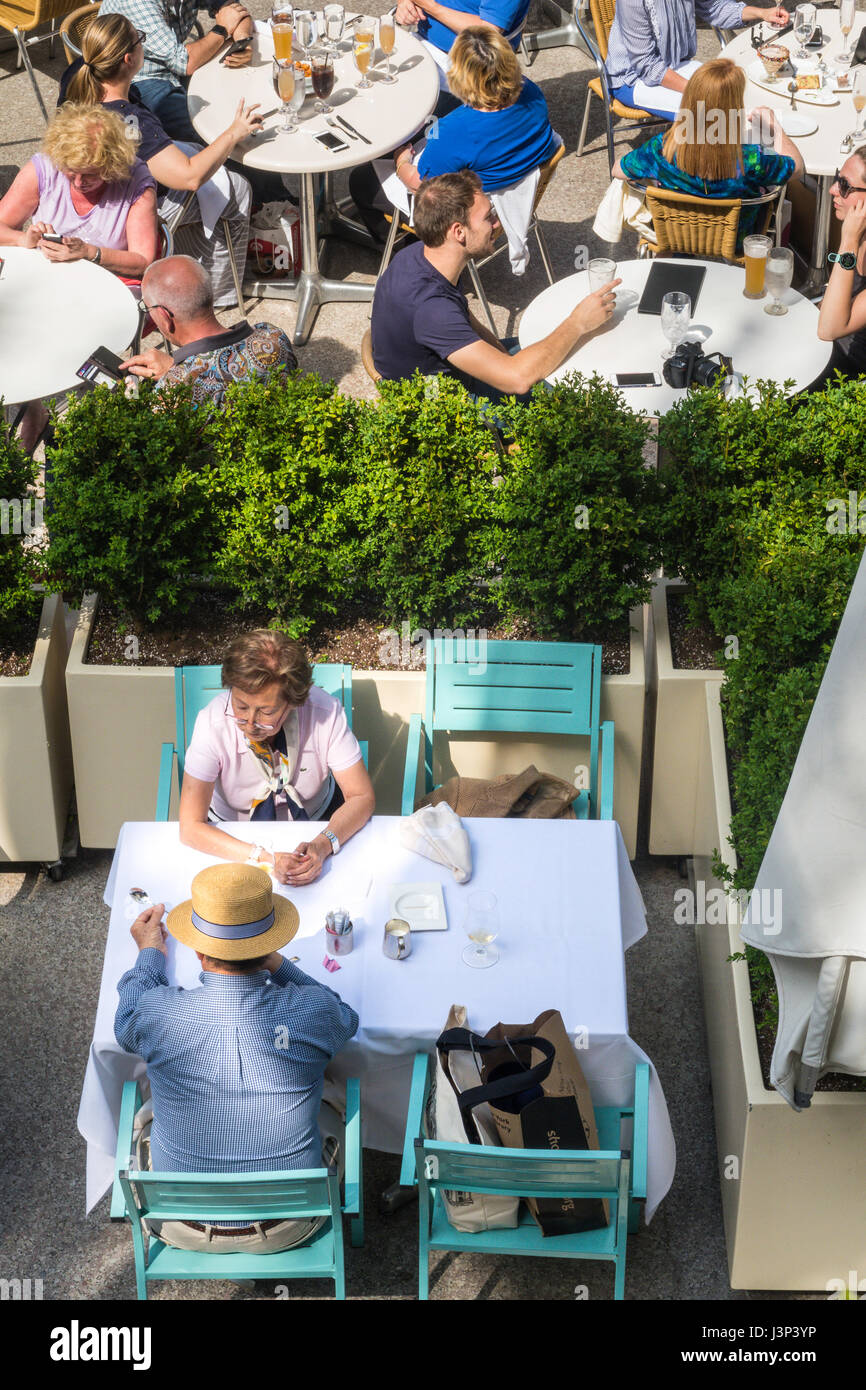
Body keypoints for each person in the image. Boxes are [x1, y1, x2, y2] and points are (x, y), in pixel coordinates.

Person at [116, 864, 359, 1253]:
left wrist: (149, 954)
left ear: (197, 950)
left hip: (179, 1221)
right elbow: (343, 1015)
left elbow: (125, 1020)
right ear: (267, 945)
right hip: (292, 1223)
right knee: (338, 1096)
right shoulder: (312, 1010)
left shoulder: (158, 1012)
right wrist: (277, 963)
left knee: (146, 1108)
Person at [60, 14, 262, 307]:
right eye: (140, 39)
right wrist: (234, 132)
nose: (144, 44)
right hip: (129, 216)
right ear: (129, 59)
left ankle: (193, 260)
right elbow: (189, 177)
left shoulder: (78, 75)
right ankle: (217, 298)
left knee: (195, 151)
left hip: (86, 201)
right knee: (237, 186)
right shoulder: (130, 121)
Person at [370, 170, 620, 404]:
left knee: (563, 344)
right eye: (488, 217)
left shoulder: (418, 255)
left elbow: (463, 317)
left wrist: (503, 353)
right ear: (458, 232)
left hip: (456, 371)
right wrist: (578, 322)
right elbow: (517, 379)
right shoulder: (433, 310)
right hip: (452, 409)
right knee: (581, 390)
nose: (497, 223)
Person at [0, 102, 158, 452]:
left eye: (90, 174)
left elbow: (144, 260)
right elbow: (2, 227)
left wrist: (90, 252)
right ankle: (35, 406)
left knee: (48, 329)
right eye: (71, 172)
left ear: (112, 164)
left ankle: (45, 411)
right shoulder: (45, 168)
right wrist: (23, 240)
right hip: (47, 282)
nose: (78, 181)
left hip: (112, 286)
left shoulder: (136, 183)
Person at [173, 629, 375, 887]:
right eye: (241, 706)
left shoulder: (325, 712)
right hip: (235, 836)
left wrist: (323, 845)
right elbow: (190, 827)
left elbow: (361, 797)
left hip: (317, 824)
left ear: (293, 702)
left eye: (266, 712)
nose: (250, 723)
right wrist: (265, 858)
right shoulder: (212, 723)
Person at [350, 26, 557, 242]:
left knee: (361, 181)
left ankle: (405, 250)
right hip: (512, 186)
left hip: (465, 212)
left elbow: (419, 184)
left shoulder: (456, 130)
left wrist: (401, 162)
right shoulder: (532, 92)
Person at [613, 58, 802, 249]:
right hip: (737, 242)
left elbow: (618, 171)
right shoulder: (751, 160)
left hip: (677, 238)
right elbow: (797, 167)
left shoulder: (660, 149)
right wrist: (775, 127)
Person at [120, 255, 297, 404]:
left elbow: (143, 435)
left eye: (147, 308)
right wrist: (175, 369)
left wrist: (133, 396)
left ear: (164, 317)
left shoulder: (172, 393)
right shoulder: (274, 336)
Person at [97, 0, 253, 144]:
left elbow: (235, 11)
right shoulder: (137, 2)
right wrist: (223, 29)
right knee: (213, 129)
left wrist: (242, 40)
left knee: (237, 97)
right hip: (135, 80)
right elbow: (184, 62)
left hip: (174, 67)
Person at [605, 0, 790, 121]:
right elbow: (646, 65)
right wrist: (700, 89)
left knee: (745, 92)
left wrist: (763, 13)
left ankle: (771, 170)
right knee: (713, 114)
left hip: (676, 63)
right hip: (632, 79)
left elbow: (715, 8)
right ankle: (721, 173)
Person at [396, 0, 530, 102]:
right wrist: (404, 2)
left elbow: (486, 32)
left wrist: (429, 6)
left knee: (403, 110)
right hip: (423, 44)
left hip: (471, 66)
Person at [816, 152, 866, 380]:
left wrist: (848, 241)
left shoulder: (853, 236)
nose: (832, 189)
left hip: (849, 385)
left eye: (845, 185)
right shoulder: (859, 232)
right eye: (838, 178)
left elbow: (829, 329)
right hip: (828, 356)